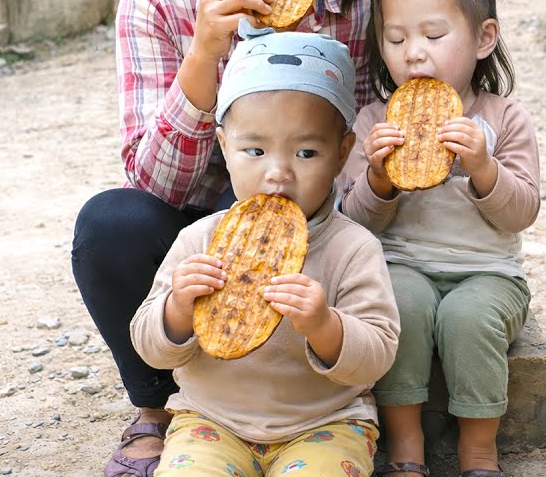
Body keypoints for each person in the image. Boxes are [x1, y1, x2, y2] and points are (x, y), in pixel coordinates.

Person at [71, 0, 380, 476]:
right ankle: (156, 408)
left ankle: (329, 404)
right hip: (198, 215)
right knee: (110, 224)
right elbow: (152, 180)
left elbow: (358, 161)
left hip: (320, 212)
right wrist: (207, 52)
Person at [131, 26, 399, 477]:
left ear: (342, 153)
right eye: (254, 150)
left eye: (307, 152)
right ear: (224, 148)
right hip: (209, 422)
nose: (278, 174)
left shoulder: (353, 247)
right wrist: (178, 309)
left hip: (324, 424)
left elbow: (378, 353)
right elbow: (149, 345)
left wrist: (324, 325)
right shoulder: (200, 240)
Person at [338, 0, 541, 477]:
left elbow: (521, 212)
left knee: (467, 318)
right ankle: (407, 444)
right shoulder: (373, 122)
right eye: (396, 38)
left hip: (489, 272)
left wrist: (483, 167)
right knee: (398, 305)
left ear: (483, 38)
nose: (413, 54)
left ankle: (478, 449)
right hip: (402, 264)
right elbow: (354, 225)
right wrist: (379, 179)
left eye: (433, 36)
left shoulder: (505, 119)